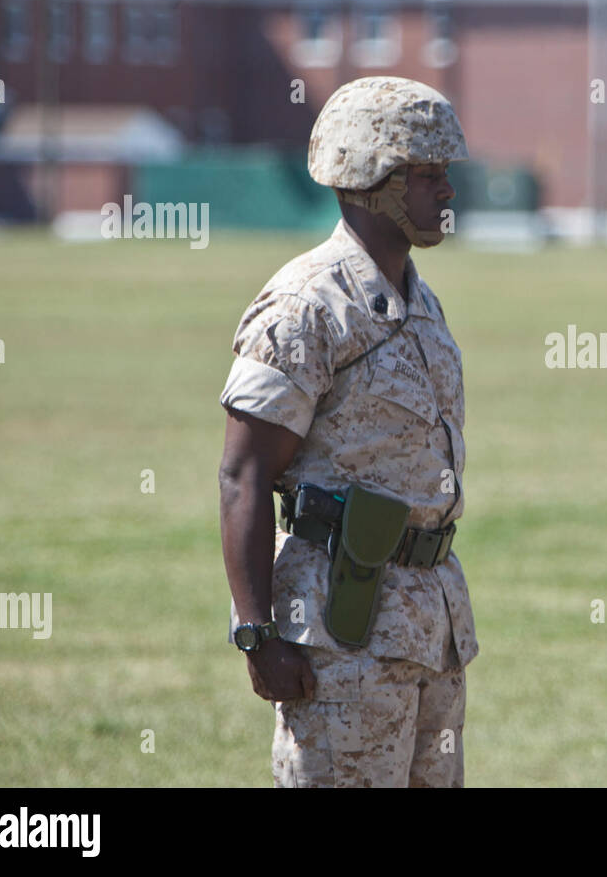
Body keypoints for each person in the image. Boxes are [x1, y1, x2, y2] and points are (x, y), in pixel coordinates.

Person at [216, 76, 477, 787]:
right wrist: (256, 634)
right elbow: (243, 474)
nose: (446, 192)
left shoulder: (420, 302)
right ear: (372, 179)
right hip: (339, 636)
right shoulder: (307, 306)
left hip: (430, 628)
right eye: (429, 175)